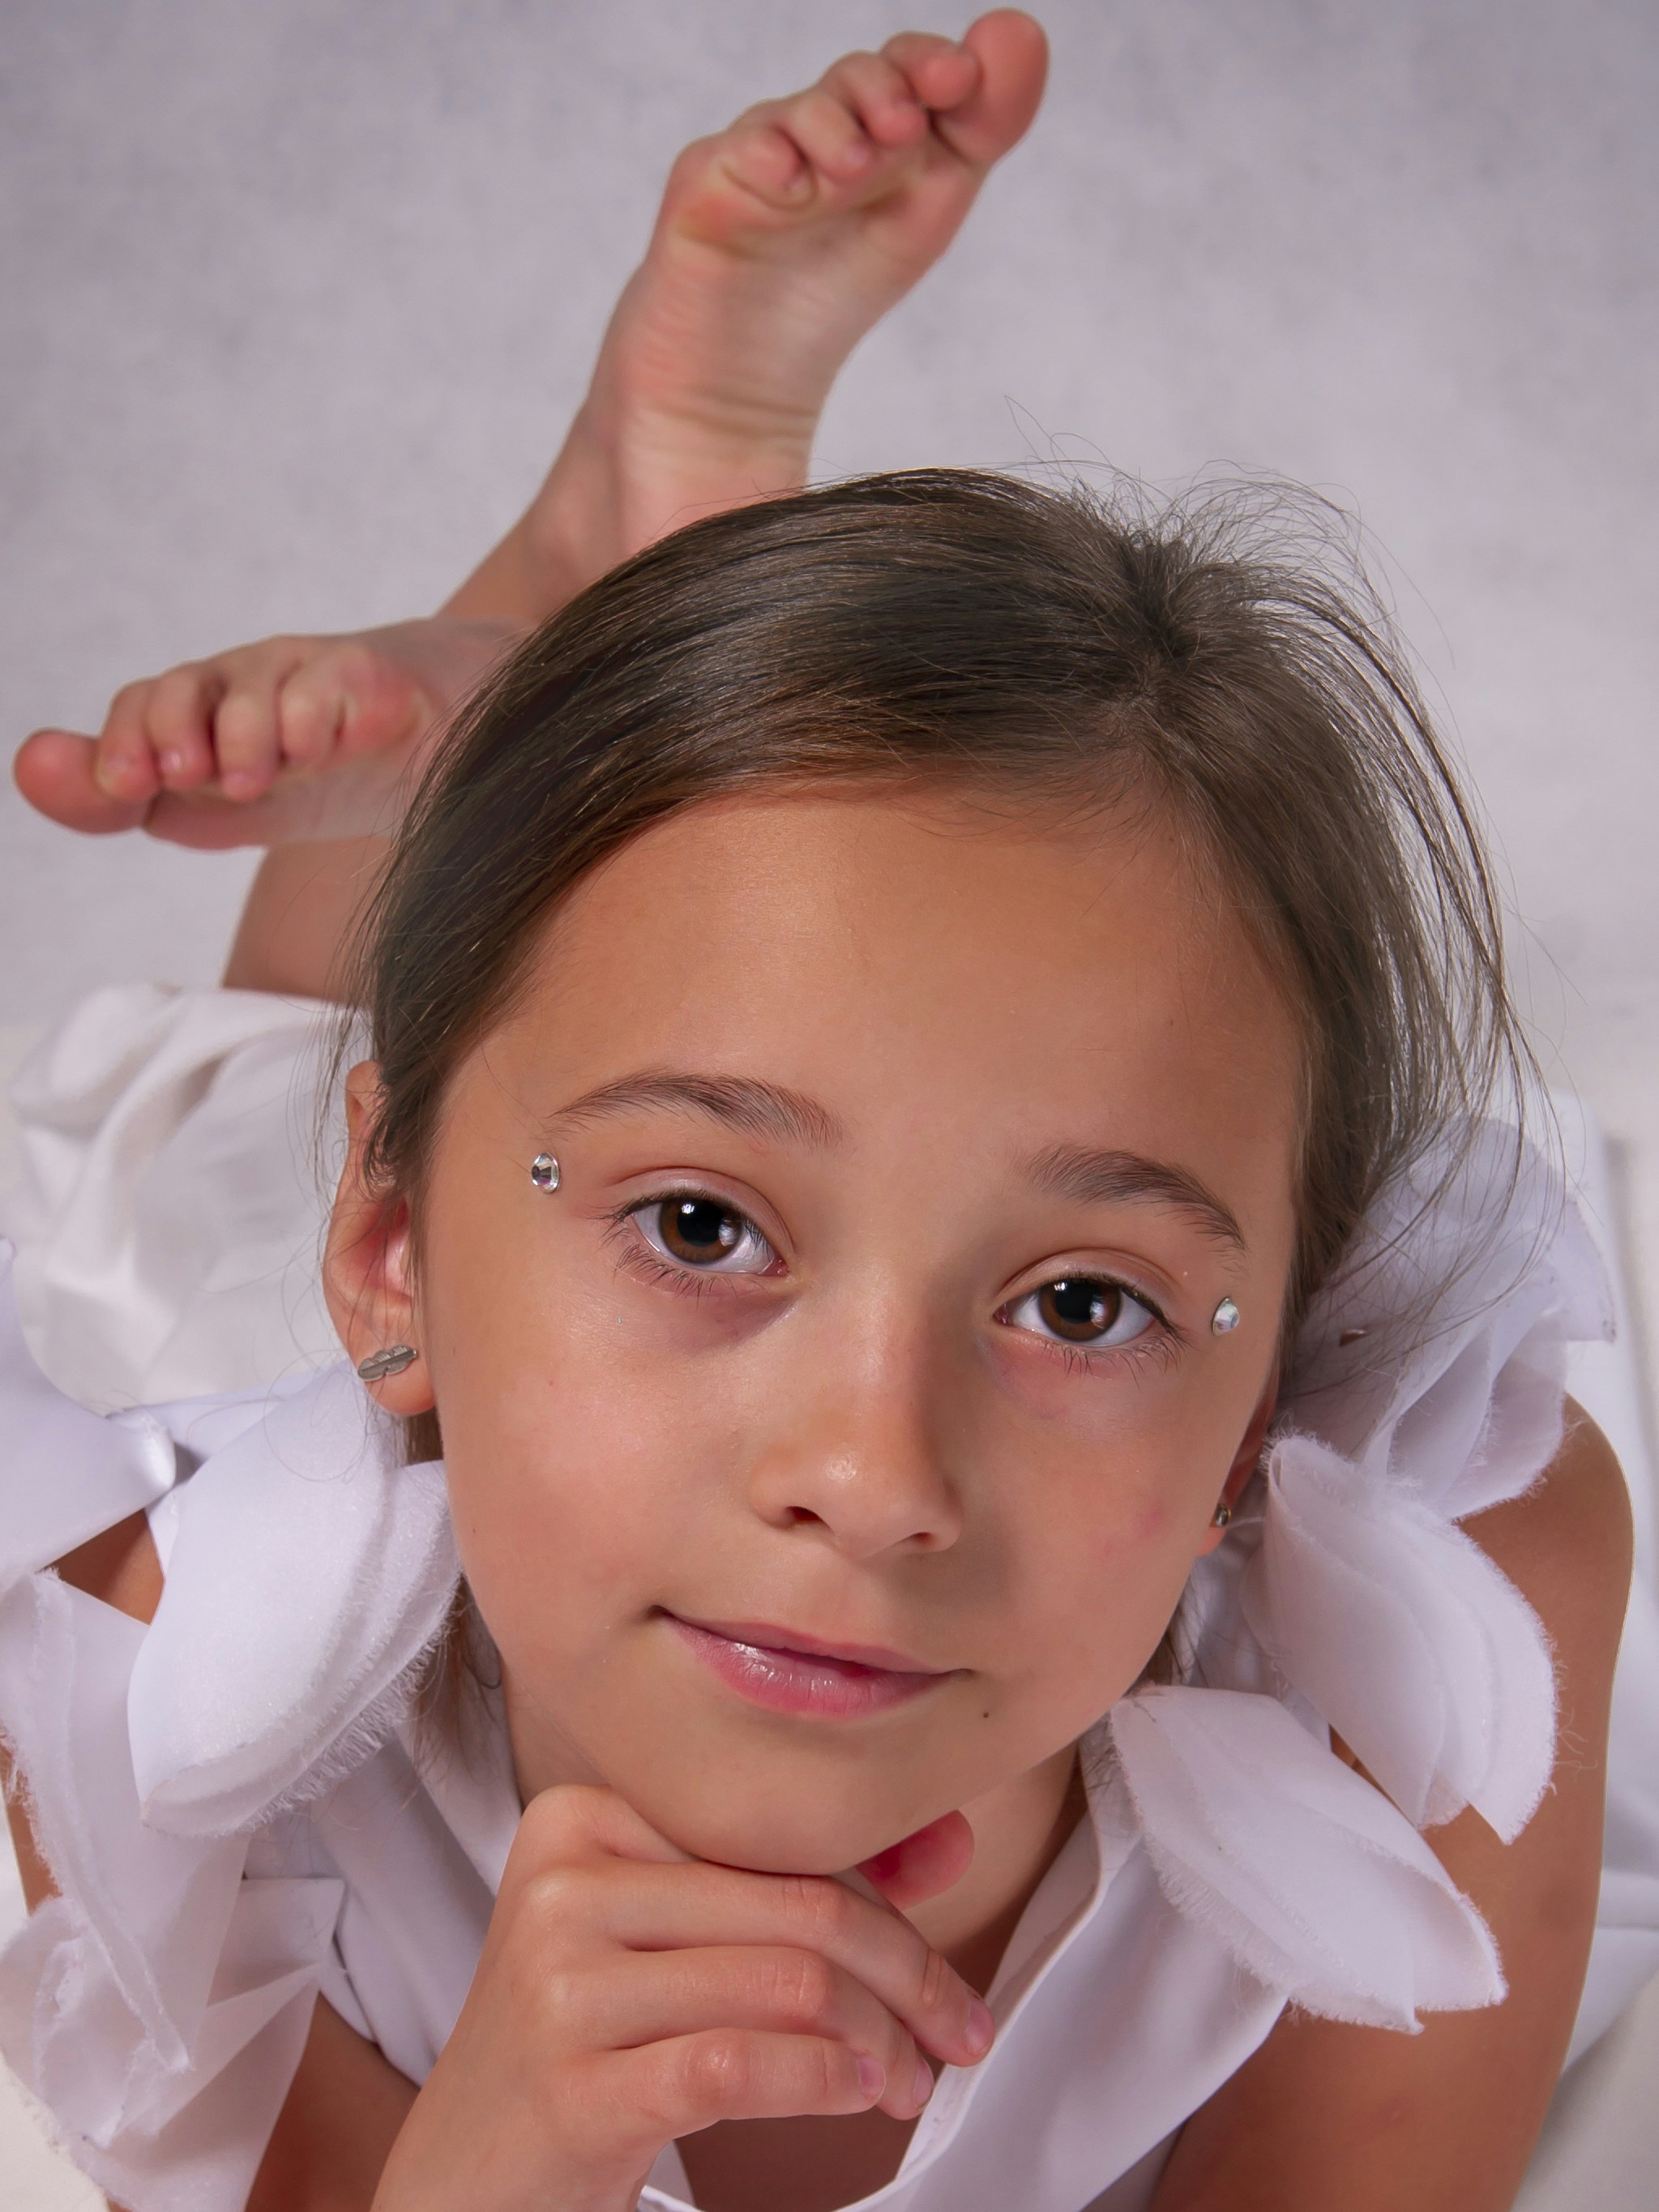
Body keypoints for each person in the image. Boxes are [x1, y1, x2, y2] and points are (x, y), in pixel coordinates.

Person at [3, 19, 1657, 2212]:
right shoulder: (145, 1702)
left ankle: (590, 729)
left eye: (1084, 1299)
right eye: (706, 1232)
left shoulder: (1452, 1623)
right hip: (373, 1341)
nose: (875, 1478)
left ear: (1273, 1382)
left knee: (581, 1050)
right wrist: (491, 2147)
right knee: (226, 1172)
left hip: (526, 1202)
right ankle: (586, 594)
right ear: (392, 1259)